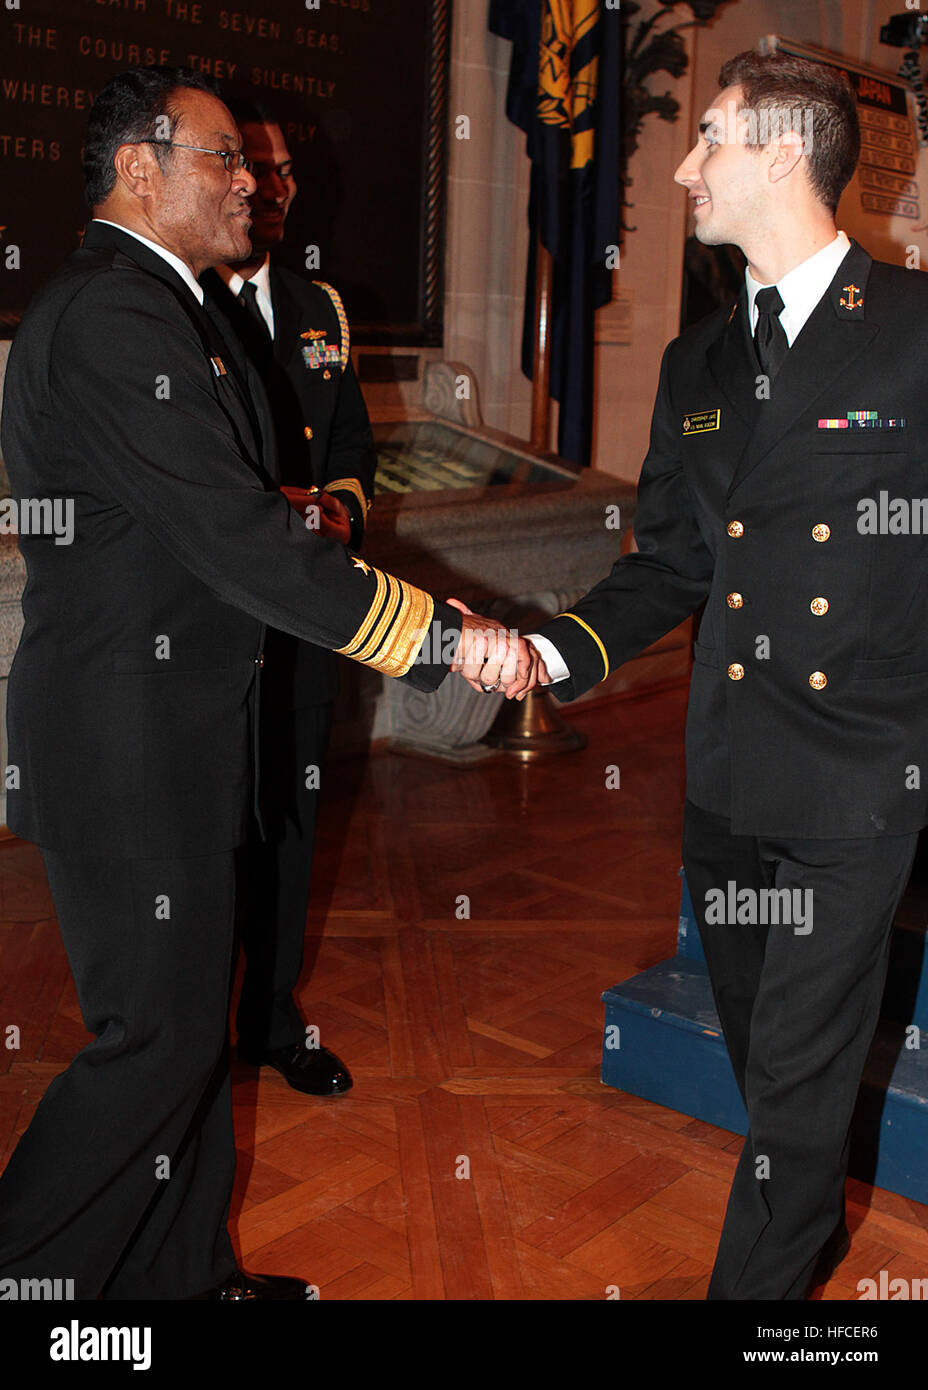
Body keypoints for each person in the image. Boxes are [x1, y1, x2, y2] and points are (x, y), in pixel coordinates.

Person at [0, 65, 538, 1301]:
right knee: (155, 1043)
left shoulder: (171, 311)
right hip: (128, 743)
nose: (252, 180)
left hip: (176, 730)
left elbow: (241, 518)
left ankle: (185, 1280)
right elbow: (240, 541)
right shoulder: (116, 319)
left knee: (188, 1037)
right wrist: (441, 640)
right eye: (223, 156)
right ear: (141, 167)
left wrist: (405, 594)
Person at [490, 49, 928, 1299]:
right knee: (764, 1055)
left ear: (785, 150)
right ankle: (804, 1221)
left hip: (860, 777)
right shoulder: (695, 366)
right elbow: (669, 564)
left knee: (793, 1081)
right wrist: (554, 650)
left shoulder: (912, 330)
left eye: (710, 140)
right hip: (732, 775)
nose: (682, 167)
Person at [201, 99, 372, 1098]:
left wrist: (337, 514)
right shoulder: (176, 305)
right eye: (251, 167)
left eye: (284, 173)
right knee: (209, 829)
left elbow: (348, 450)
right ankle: (189, 1035)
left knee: (293, 824)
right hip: (210, 626)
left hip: (303, 618)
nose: (270, 188)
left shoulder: (323, 312)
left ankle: (269, 1020)